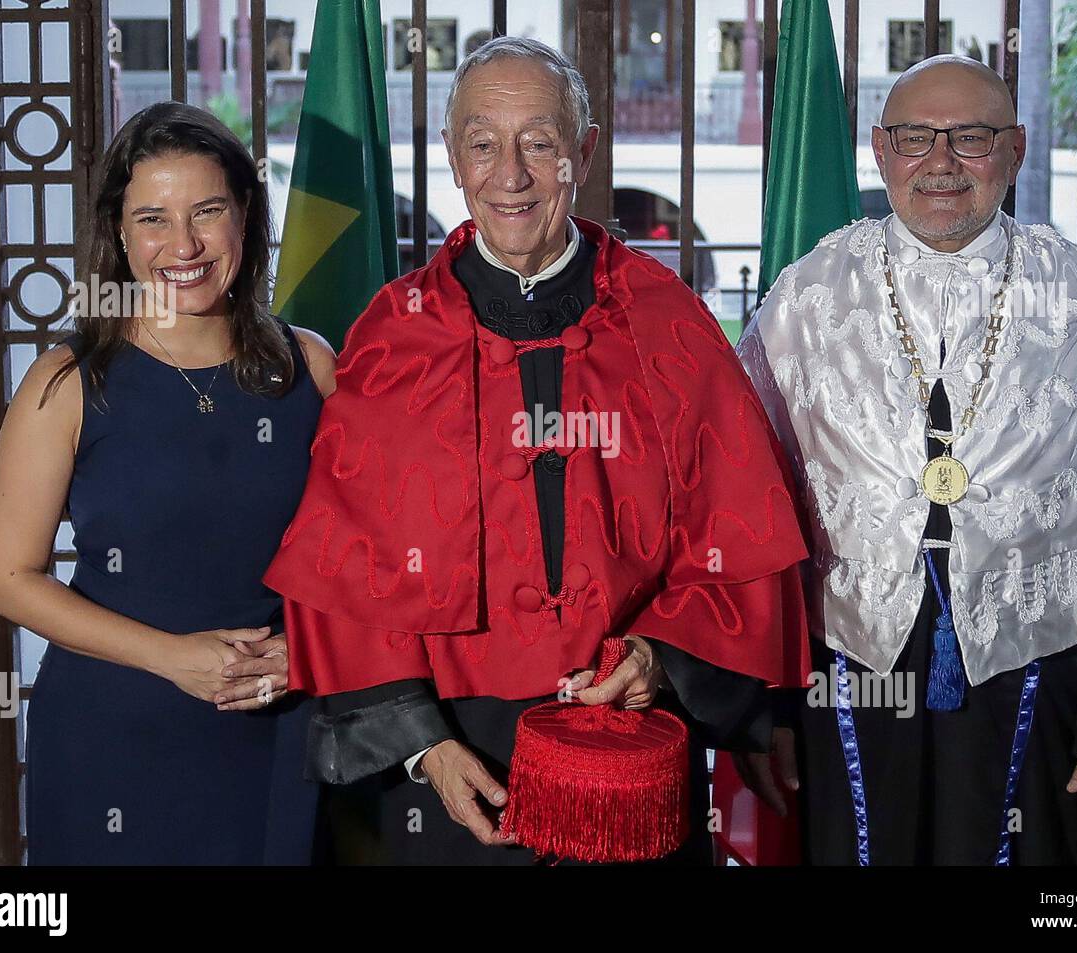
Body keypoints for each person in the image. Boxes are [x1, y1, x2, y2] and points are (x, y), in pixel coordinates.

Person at [262, 36, 810, 865]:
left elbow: (739, 543)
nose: (510, 174)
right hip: (451, 759)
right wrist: (424, 749)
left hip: (632, 743)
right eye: (483, 144)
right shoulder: (392, 333)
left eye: (541, 143)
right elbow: (343, 565)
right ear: (453, 158)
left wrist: (660, 659)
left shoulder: (668, 320)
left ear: (582, 153)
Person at [736, 55, 1077, 865]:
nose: (942, 162)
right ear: (882, 152)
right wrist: (760, 709)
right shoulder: (810, 295)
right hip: (848, 664)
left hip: (1032, 659)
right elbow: (747, 509)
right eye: (917, 138)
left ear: (1018, 150)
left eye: (972, 138)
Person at [0, 102, 338, 864]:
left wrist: (310, 648)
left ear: (246, 213)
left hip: (279, 726)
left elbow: (368, 554)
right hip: (113, 734)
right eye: (153, 218)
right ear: (118, 232)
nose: (184, 244)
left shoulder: (309, 365)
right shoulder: (66, 382)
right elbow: (9, 578)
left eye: (207, 211)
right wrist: (169, 656)